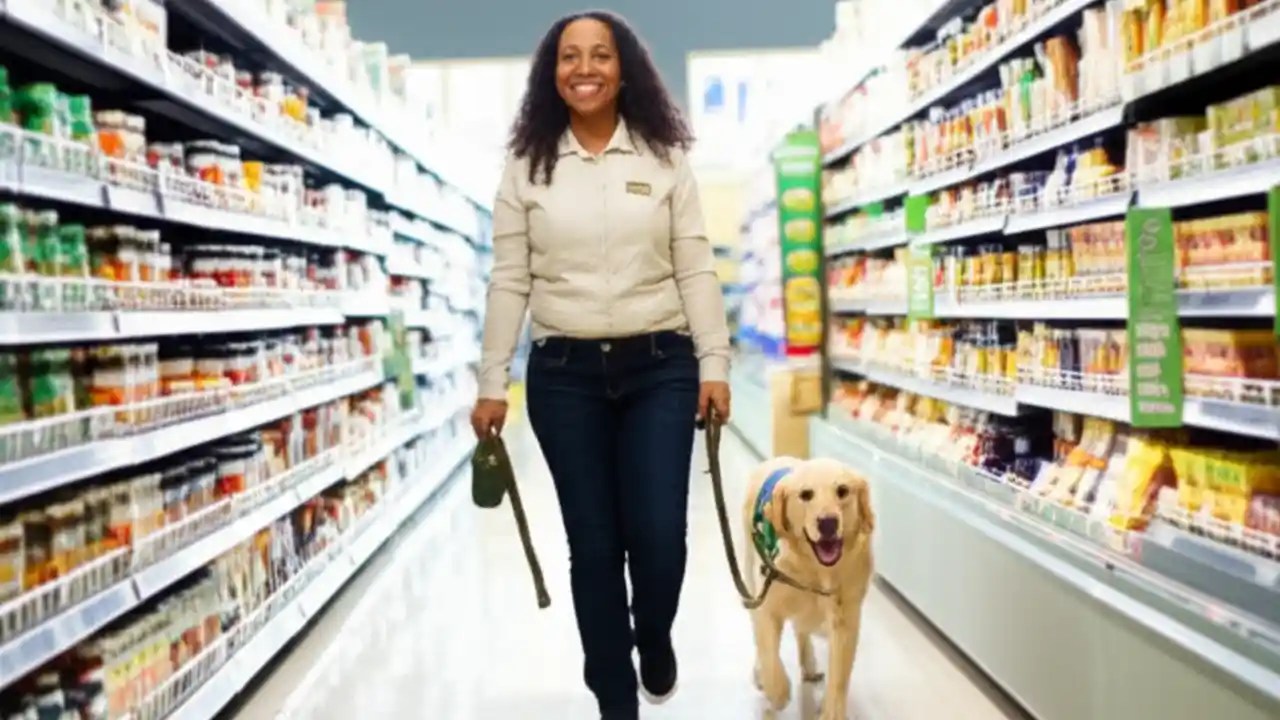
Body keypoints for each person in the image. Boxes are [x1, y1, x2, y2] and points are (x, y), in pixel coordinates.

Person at [470, 9, 732, 720]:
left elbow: (696, 266)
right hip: (564, 376)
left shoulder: (662, 157)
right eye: (569, 57)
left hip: (662, 368)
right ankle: (614, 698)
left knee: (657, 537)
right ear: (551, 74)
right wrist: (492, 381)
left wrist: (715, 363)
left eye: (600, 56)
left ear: (625, 69)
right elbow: (509, 280)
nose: (584, 68)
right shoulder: (527, 166)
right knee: (593, 546)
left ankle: (653, 633)